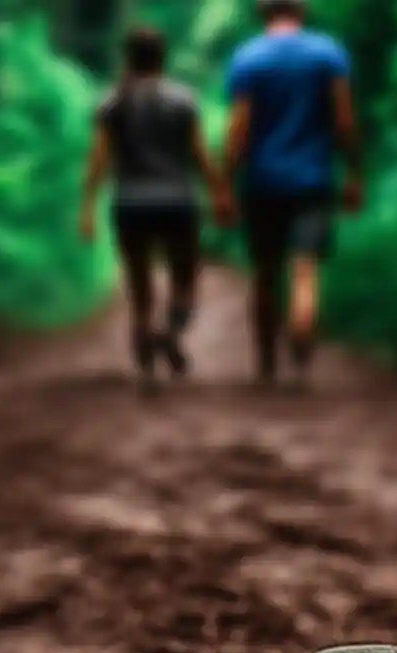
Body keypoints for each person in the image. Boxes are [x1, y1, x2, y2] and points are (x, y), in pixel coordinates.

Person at [81, 27, 233, 389]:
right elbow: (199, 154)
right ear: (163, 58)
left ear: (127, 58)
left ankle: (145, 339)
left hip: (131, 202)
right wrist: (219, 192)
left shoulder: (112, 102)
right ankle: (171, 329)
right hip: (177, 201)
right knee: (185, 278)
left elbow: (99, 160)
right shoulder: (183, 100)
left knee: (140, 280)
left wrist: (87, 206)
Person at [224, 0, 363, 386]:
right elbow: (345, 121)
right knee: (305, 267)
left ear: (263, 14)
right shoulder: (329, 54)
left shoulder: (248, 58)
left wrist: (225, 185)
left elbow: (239, 130)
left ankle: (266, 362)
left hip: (263, 182)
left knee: (265, 274)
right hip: (313, 181)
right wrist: (354, 174)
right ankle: (302, 323)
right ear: (301, 13)